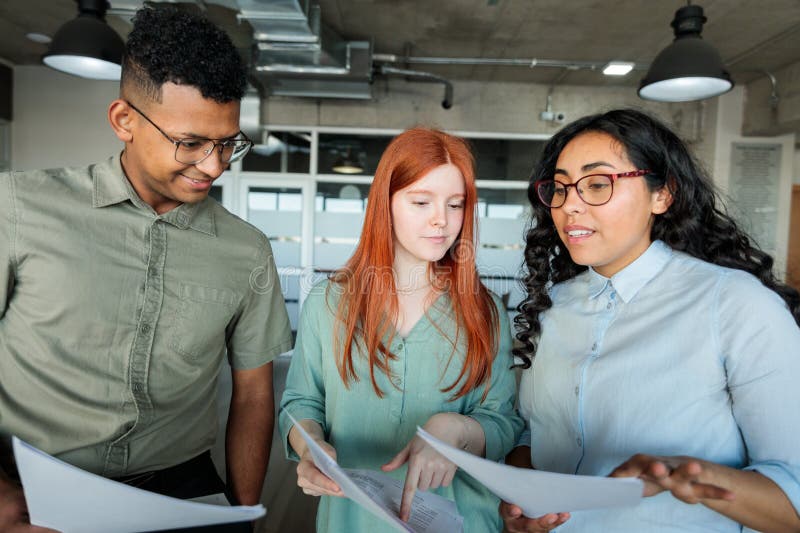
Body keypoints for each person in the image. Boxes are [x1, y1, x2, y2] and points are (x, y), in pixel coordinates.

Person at [0, 6, 292, 533]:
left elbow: (252, 395)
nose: (214, 166)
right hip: (28, 487)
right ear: (123, 121)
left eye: (227, 143)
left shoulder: (247, 251)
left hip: (179, 489)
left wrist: (244, 515)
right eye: (191, 143)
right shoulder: (16, 209)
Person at [500, 108, 800, 532]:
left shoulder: (735, 305)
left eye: (598, 184)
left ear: (663, 194)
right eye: (560, 188)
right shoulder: (554, 308)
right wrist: (520, 504)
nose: (570, 206)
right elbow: (537, 437)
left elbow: (793, 500)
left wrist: (691, 474)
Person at [278, 127, 523, 532]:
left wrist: (457, 428)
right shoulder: (329, 303)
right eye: (421, 201)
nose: (441, 221)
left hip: (462, 521)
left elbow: (505, 424)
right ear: (385, 204)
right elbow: (301, 401)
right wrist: (310, 447)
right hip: (353, 522)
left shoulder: (486, 312)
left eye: (456, 204)